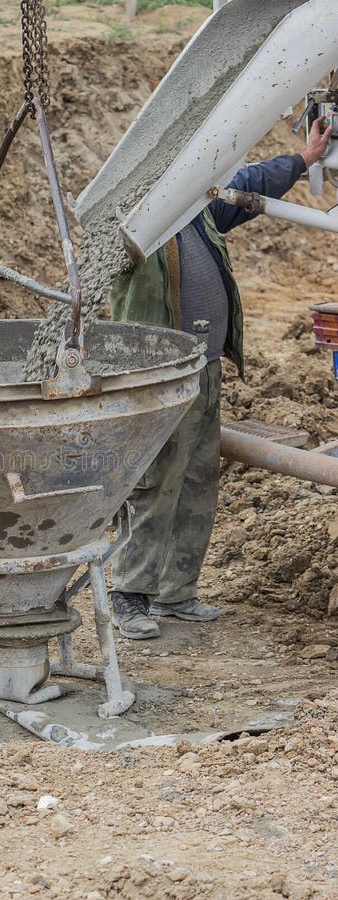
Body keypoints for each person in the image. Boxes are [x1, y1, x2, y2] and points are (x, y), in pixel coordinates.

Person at [110, 117, 333, 640]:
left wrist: (304, 159)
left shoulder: (200, 211)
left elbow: (248, 185)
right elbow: (107, 230)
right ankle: (130, 595)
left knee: (196, 480)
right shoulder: (138, 222)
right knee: (156, 482)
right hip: (160, 374)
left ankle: (176, 592)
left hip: (205, 366)